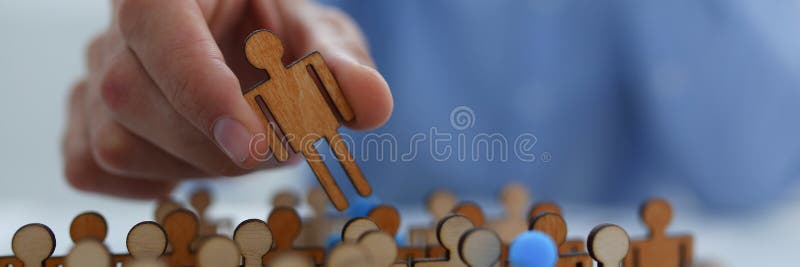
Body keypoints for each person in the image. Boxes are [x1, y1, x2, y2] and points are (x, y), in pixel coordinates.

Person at [64, 0, 800, 210]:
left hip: (604, 232)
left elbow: (751, 176)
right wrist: (194, 77)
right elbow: (290, 45)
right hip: (355, 209)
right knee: (344, 166)